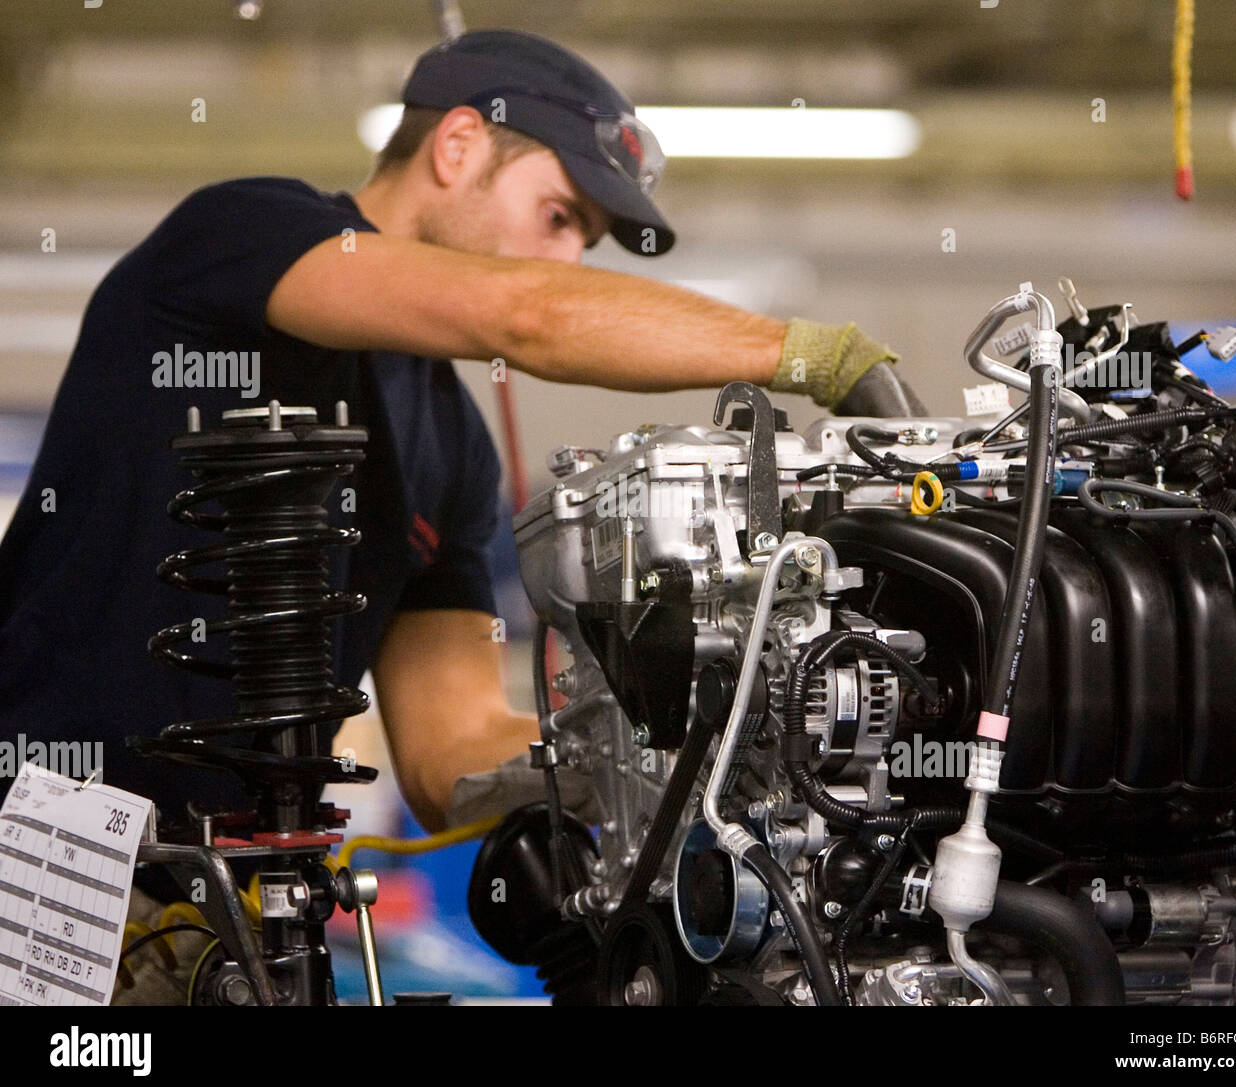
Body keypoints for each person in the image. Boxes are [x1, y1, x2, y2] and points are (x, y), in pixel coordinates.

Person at [0, 29, 921, 861]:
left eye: (586, 241)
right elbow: (525, 316)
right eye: (559, 215)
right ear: (458, 146)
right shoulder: (243, 234)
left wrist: (693, 744)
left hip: (232, 909)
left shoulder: (453, 451)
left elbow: (448, 759)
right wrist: (812, 356)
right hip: (33, 847)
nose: (565, 261)